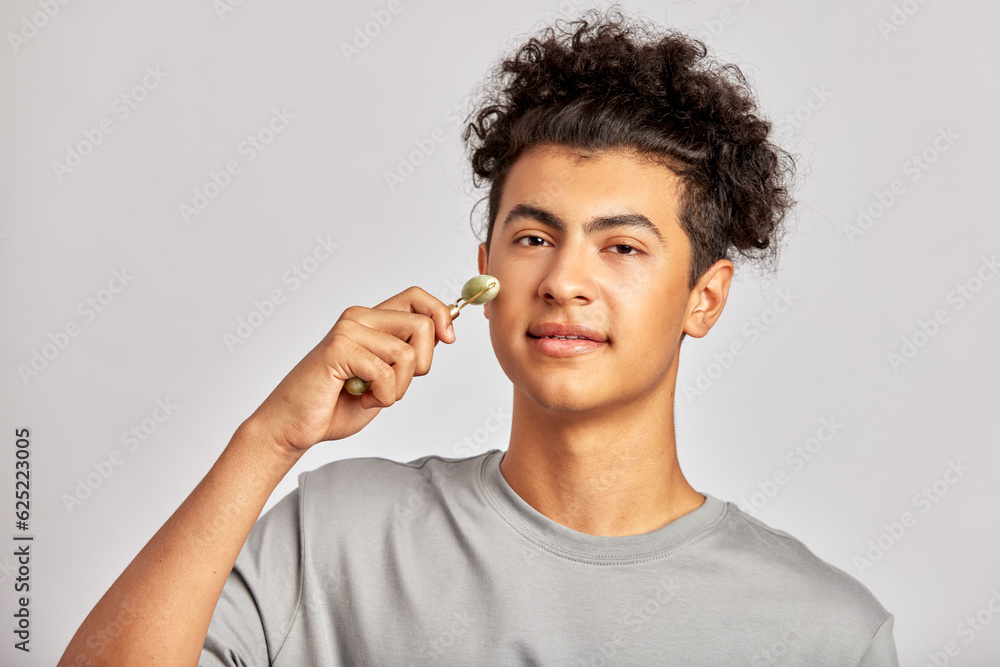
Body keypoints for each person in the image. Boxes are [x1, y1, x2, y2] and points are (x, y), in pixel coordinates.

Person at [59, 6, 898, 666]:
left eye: (622, 247)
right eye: (534, 238)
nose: (564, 280)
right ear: (486, 273)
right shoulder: (336, 537)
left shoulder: (825, 630)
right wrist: (270, 438)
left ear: (703, 298)